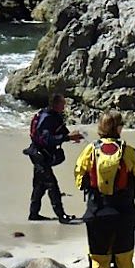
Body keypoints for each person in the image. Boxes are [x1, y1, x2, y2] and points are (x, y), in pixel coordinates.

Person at [74, 110, 135, 268]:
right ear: (118, 128)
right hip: (124, 214)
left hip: (97, 213)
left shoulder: (90, 151)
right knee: (124, 259)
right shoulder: (129, 152)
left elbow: (79, 180)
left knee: (99, 260)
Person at [25, 94, 84, 222]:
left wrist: (72, 136)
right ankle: (61, 215)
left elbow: (61, 130)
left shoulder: (54, 115)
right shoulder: (46, 118)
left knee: (39, 185)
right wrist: (67, 138)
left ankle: (33, 214)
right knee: (52, 185)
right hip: (39, 155)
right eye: (63, 103)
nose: (65, 106)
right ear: (56, 104)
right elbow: (46, 139)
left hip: (41, 155)